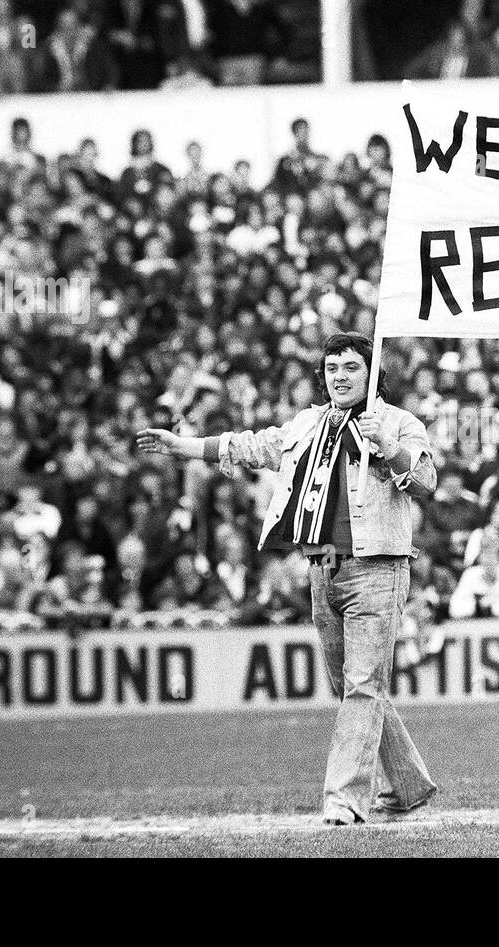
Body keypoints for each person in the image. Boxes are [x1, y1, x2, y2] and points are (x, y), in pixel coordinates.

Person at [136, 333, 437, 825]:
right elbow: (252, 446)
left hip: (378, 567)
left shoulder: (399, 423)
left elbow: (426, 479)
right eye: (332, 367)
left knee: (362, 687)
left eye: (351, 367)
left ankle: (344, 799)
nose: (339, 375)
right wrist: (183, 446)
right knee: (353, 689)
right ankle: (407, 784)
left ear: (372, 373)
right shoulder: (308, 425)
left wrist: (387, 446)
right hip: (321, 568)